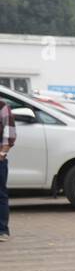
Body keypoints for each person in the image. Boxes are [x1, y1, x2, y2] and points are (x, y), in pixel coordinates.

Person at [0, 97, 14, 242]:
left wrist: (2, 153)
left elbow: (9, 133)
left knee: (0, 194)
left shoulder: (2, 106)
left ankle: (2, 230)